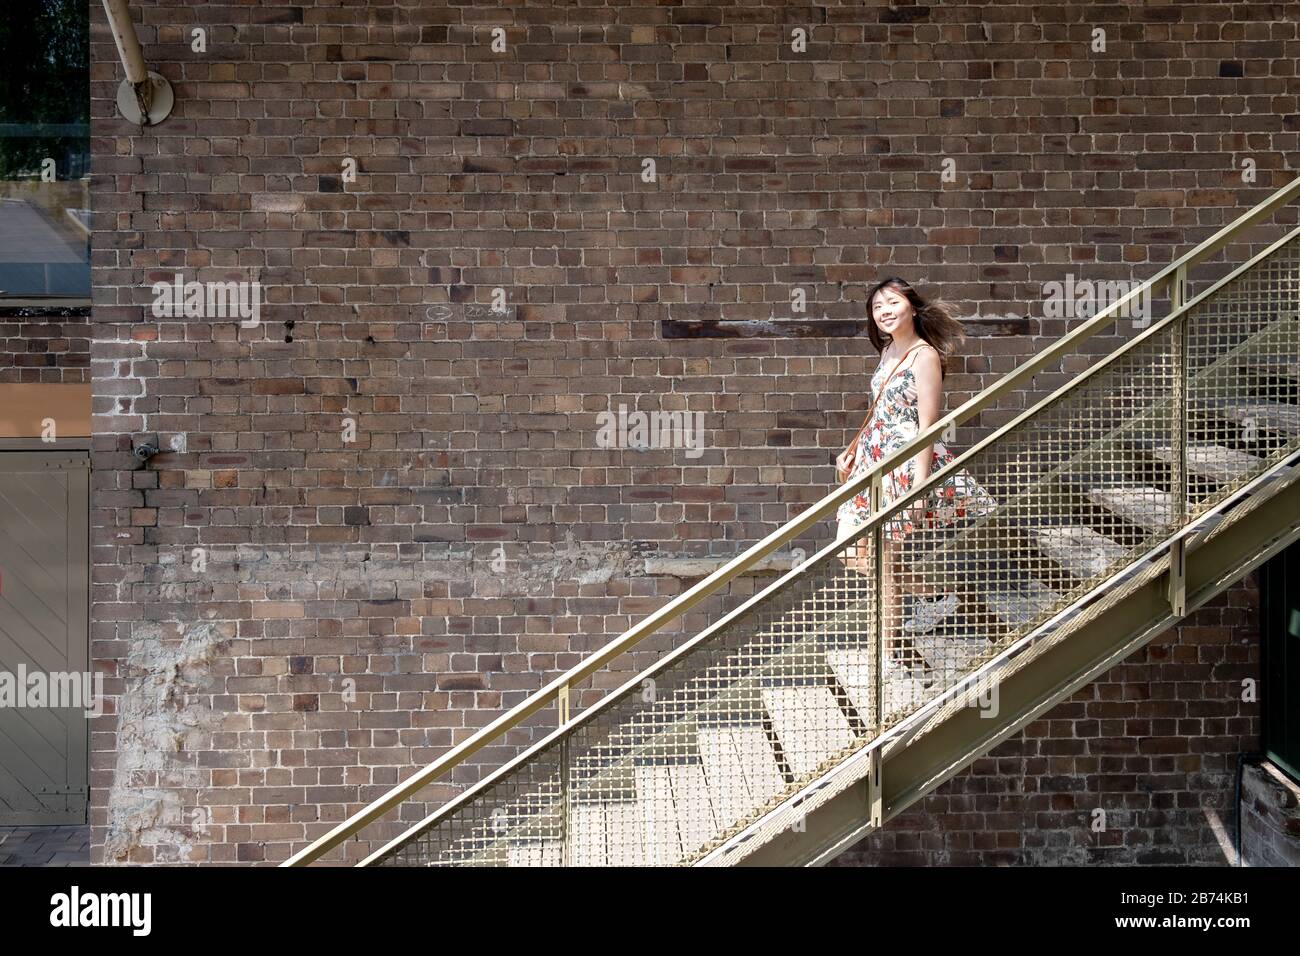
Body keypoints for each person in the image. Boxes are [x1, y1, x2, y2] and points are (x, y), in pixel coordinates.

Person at [834, 277, 997, 684]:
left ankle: (887, 658)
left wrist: (920, 485)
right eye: (877, 307)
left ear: (911, 305)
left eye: (892, 302)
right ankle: (937, 595)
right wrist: (854, 445)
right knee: (853, 554)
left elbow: (927, 426)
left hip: (903, 464)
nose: (884, 311)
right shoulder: (888, 348)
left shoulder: (924, 355)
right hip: (872, 461)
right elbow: (882, 407)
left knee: (883, 559)